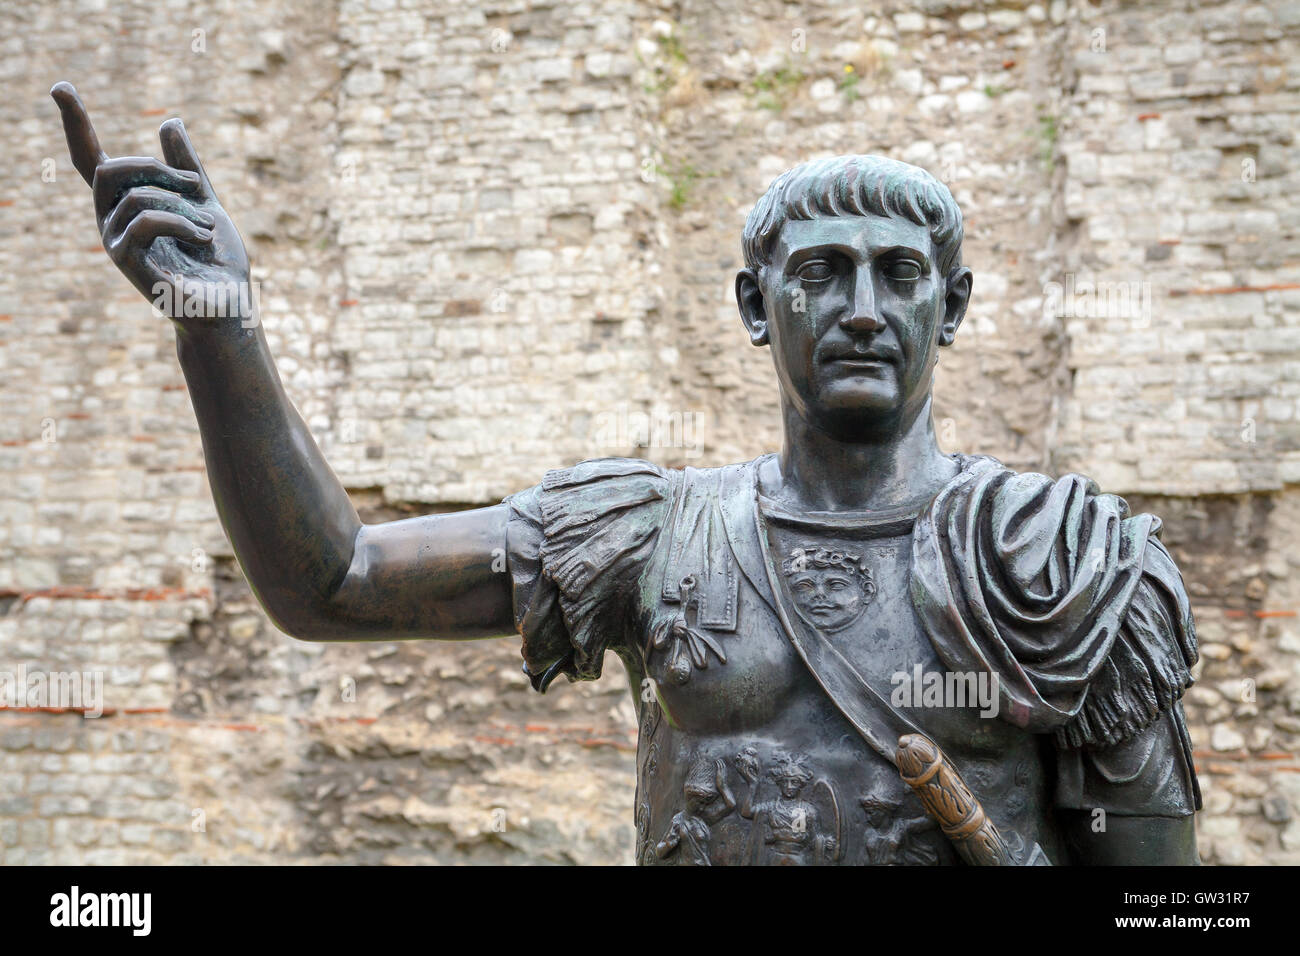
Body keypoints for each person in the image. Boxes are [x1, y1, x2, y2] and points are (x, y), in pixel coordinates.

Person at [53, 82, 1201, 864]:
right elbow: (333, 580)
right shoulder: (650, 535)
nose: (860, 308)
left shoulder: (1060, 560)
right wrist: (217, 323)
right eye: (820, 273)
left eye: (899, 274)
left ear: (948, 307)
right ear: (758, 304)